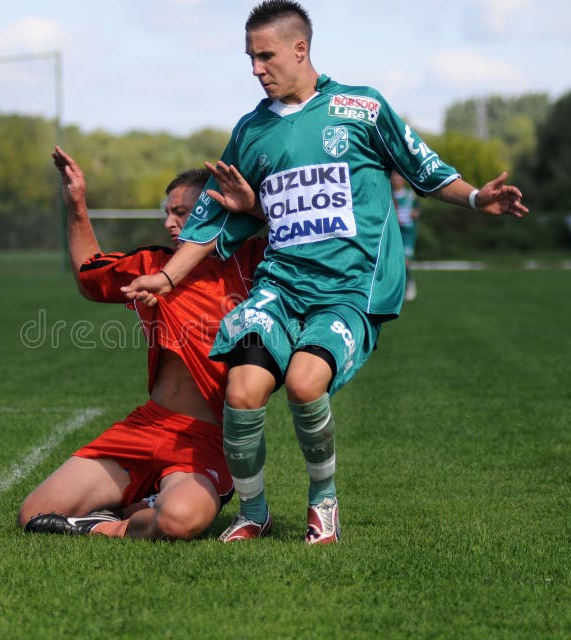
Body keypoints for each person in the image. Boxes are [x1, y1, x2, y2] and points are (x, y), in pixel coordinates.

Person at [122, 0, 528, 544]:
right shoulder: (251, 131)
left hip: (347, 290)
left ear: (300, 48)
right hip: (281, 288)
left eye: (265, 56)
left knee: (306, 382)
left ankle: (323, 503)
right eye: (250, 58)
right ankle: (255, 512)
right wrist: (167, 279)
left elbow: (423, 168)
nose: (256, 69)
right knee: (241, 389)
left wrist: (478, 198)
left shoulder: (361, 108)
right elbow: (209, 218)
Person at [17, 146, 266, 540]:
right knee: (33, 512)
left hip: (206, 442)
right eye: (167, 213)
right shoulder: (153, 266)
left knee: (179, 521)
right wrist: (78, 205)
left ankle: (117, 523)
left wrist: (253, 209)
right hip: (148, 424)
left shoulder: (254, 264)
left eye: (181, 212)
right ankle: (141, 506)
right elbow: (88, 275)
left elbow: (301, 237)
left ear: (212, 210)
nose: (169, 223)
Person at [391, 171, 420, 301]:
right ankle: (398, 288)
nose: (397, 179)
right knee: (394, 263)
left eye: (399, 177)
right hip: (394, 232)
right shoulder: (388, 194)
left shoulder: (410, 196)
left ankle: (410, 284)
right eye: (394, 177)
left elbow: (416, 211)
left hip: (408, 233)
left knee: (405, 262)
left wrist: (415, 214)